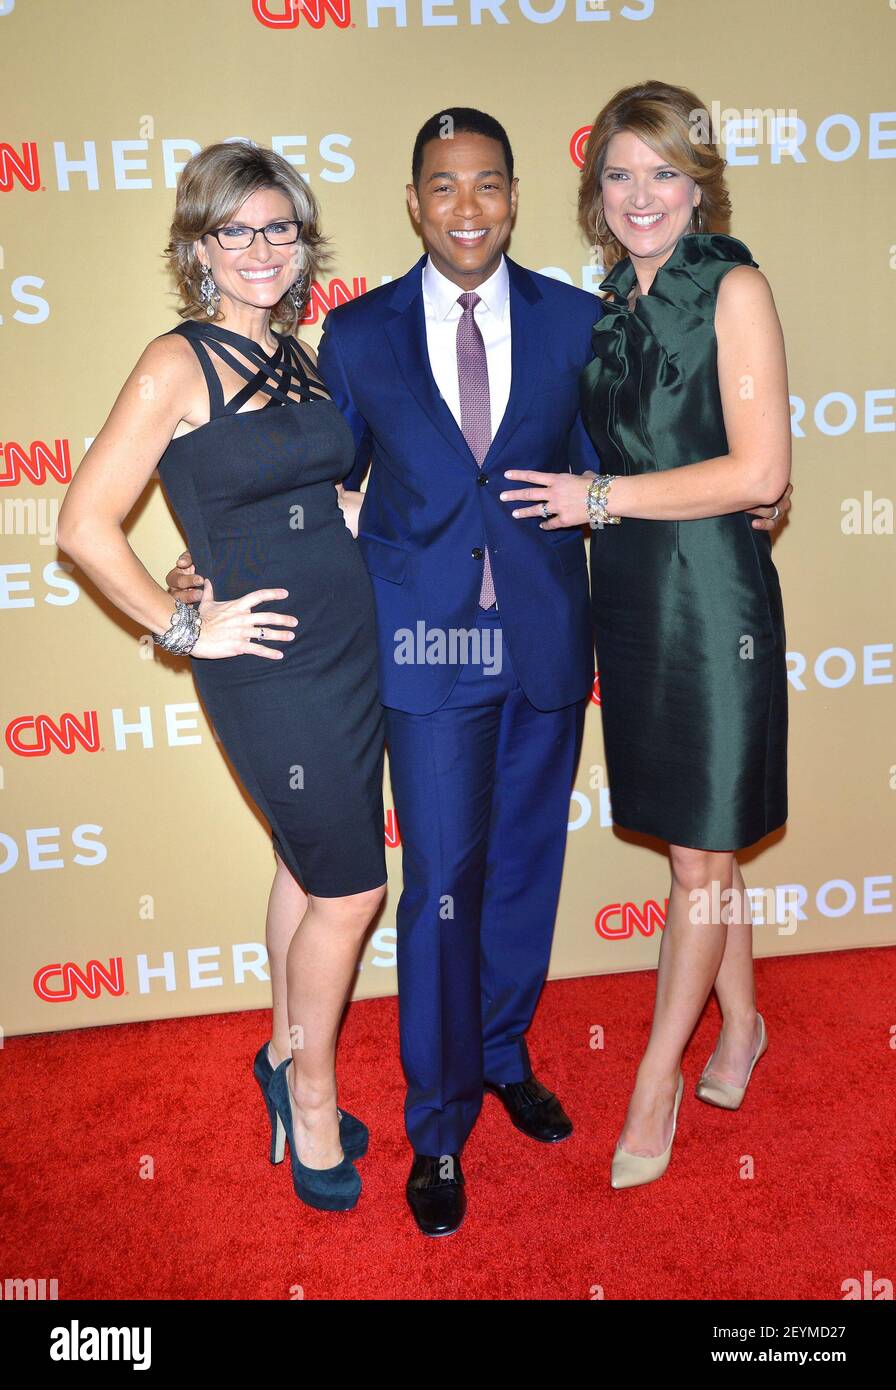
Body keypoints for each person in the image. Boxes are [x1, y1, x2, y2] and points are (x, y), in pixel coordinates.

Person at [56, 140, 387, 1214]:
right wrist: (183, 624)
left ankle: (281, 1050)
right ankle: (313, 1098)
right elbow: (82, 525)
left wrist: (353, 517)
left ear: (302, 240)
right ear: (199, 247)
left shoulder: (299, 356)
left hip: (351, 641)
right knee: (354, 885)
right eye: (235, 230)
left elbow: (310, 497)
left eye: (278, 227)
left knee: (304, 865)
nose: (261, 248)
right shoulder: (174, 362)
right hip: (269, 665)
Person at [499, 80, 791, 1189]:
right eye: (618, 174)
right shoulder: (612, 303)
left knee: (701, 853)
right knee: (696, 846)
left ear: (698, 184)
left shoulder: (733, 286)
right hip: (624, 596)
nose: (639, 195)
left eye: (662, 172)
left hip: (709, 602)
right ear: (592, 191)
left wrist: (601, 500)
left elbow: (759, 470)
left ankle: (654, 1077)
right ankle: (743, 1025)